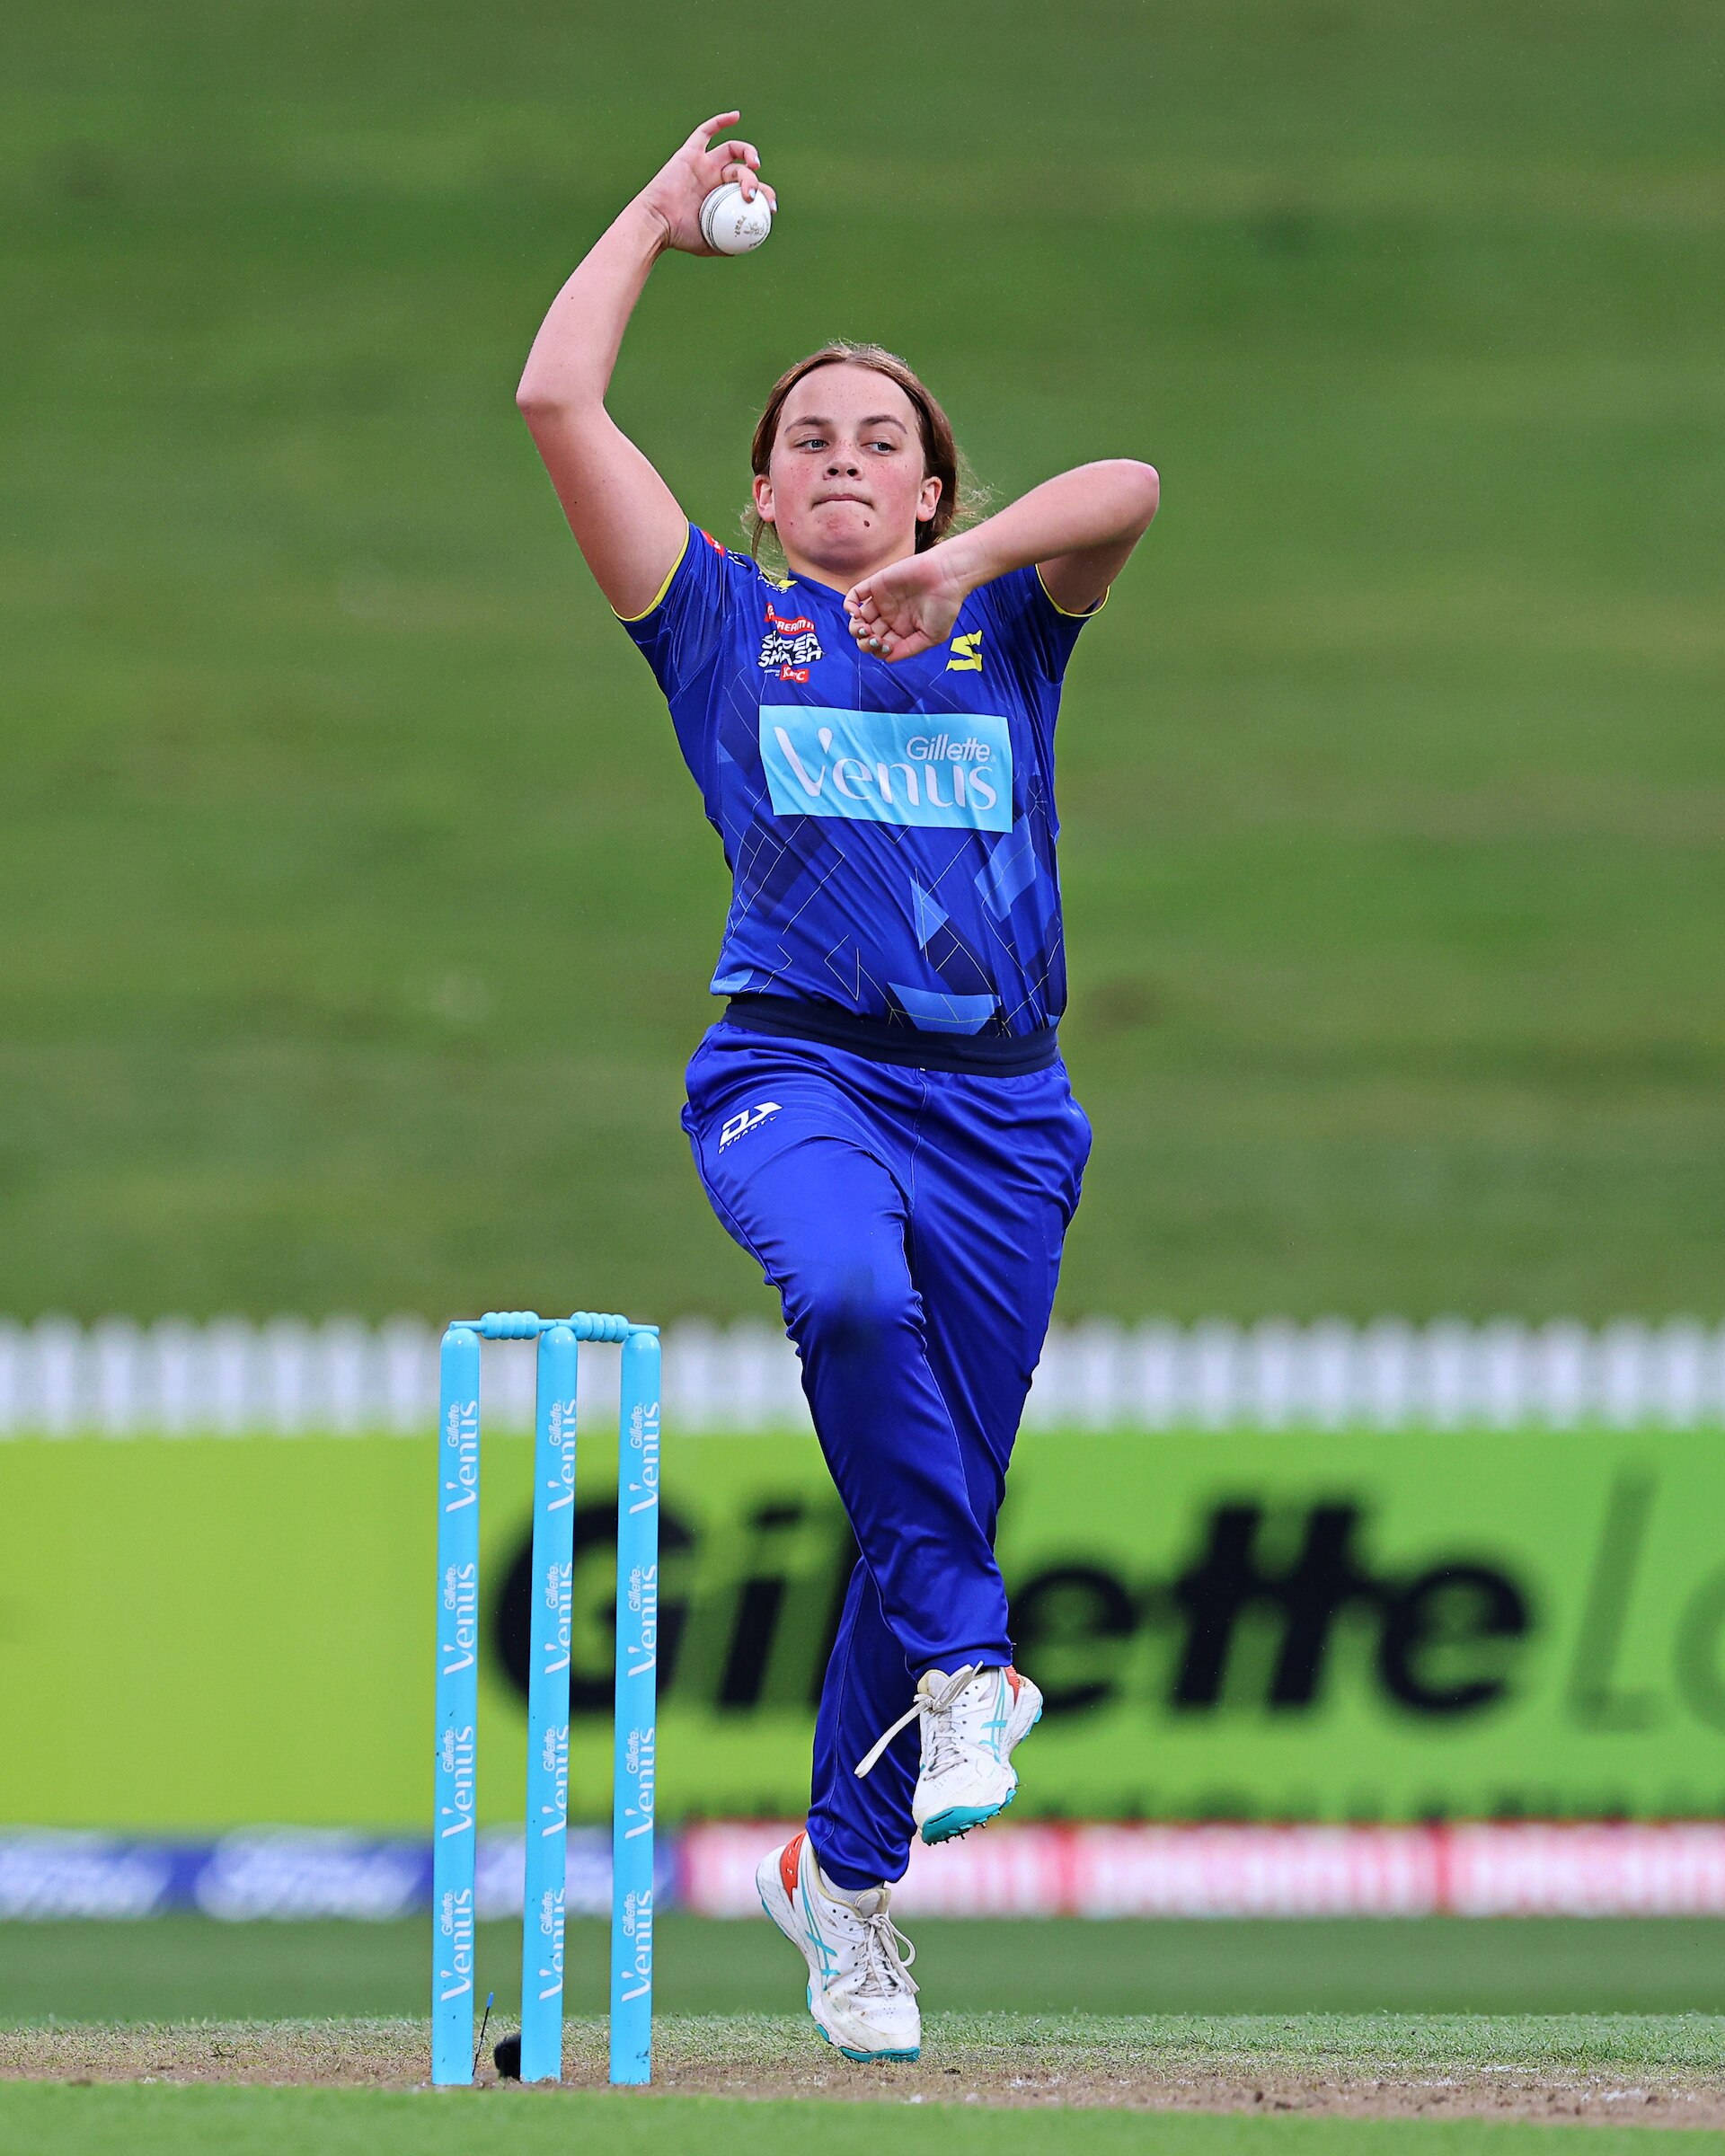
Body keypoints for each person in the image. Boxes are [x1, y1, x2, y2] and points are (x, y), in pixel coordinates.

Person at [517, 112, 1158, 2063]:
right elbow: (556, 395)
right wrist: (648, 216)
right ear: (765, 494)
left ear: (935, 482)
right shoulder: (719, 620)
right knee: (852, 1305)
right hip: (792, 1070)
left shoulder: (1005, 625)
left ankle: (844, 1882)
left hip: (1008, 1117)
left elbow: (1130, 484)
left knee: (927, 1484)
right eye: (813, 441)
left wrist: (972, 561)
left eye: (885, 442)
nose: (848, 464)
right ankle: (974, 1660)